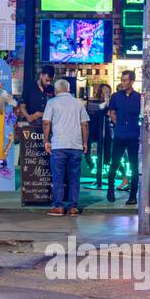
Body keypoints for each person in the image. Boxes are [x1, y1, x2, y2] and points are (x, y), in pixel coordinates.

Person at [43, 79, 89, 216]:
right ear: (68, 89)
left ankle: (59, 206)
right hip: (76, 145)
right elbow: (85, 124)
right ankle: (73, 207)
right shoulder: (78, 103)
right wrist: (85, 142)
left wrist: (46, 140)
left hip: (58, 145)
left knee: (58, 177)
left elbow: (46, 123)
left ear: (56, 90)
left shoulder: (52, 103)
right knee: (74, 177)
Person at [105, 70, 142, 206]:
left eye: (126, 80)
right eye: (122, 79)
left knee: (134, 166)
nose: (123, 82)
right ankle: (110, 191)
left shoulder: (139, 97)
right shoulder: (116, 96)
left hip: (133, 135)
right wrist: (118, 124)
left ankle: (133, 196)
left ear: (132, 81)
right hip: (120, 134)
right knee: (114, 163)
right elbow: (112, 112)